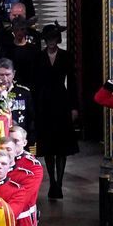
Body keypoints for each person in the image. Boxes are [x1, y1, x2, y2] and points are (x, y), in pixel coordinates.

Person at [32, 22, 78, 198]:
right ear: (45, 40)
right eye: (48, 38)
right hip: (43, 102)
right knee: (48, 146)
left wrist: (74, 107)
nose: (51, 41)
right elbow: (34, 83)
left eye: (54, 38)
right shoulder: (38, 57)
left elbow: (72, 82)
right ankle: (52, 181)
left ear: (57, 39)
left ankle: (60, 182)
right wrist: (34, 107)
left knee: (62, 146)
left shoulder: (66, 56)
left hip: (61, 101)